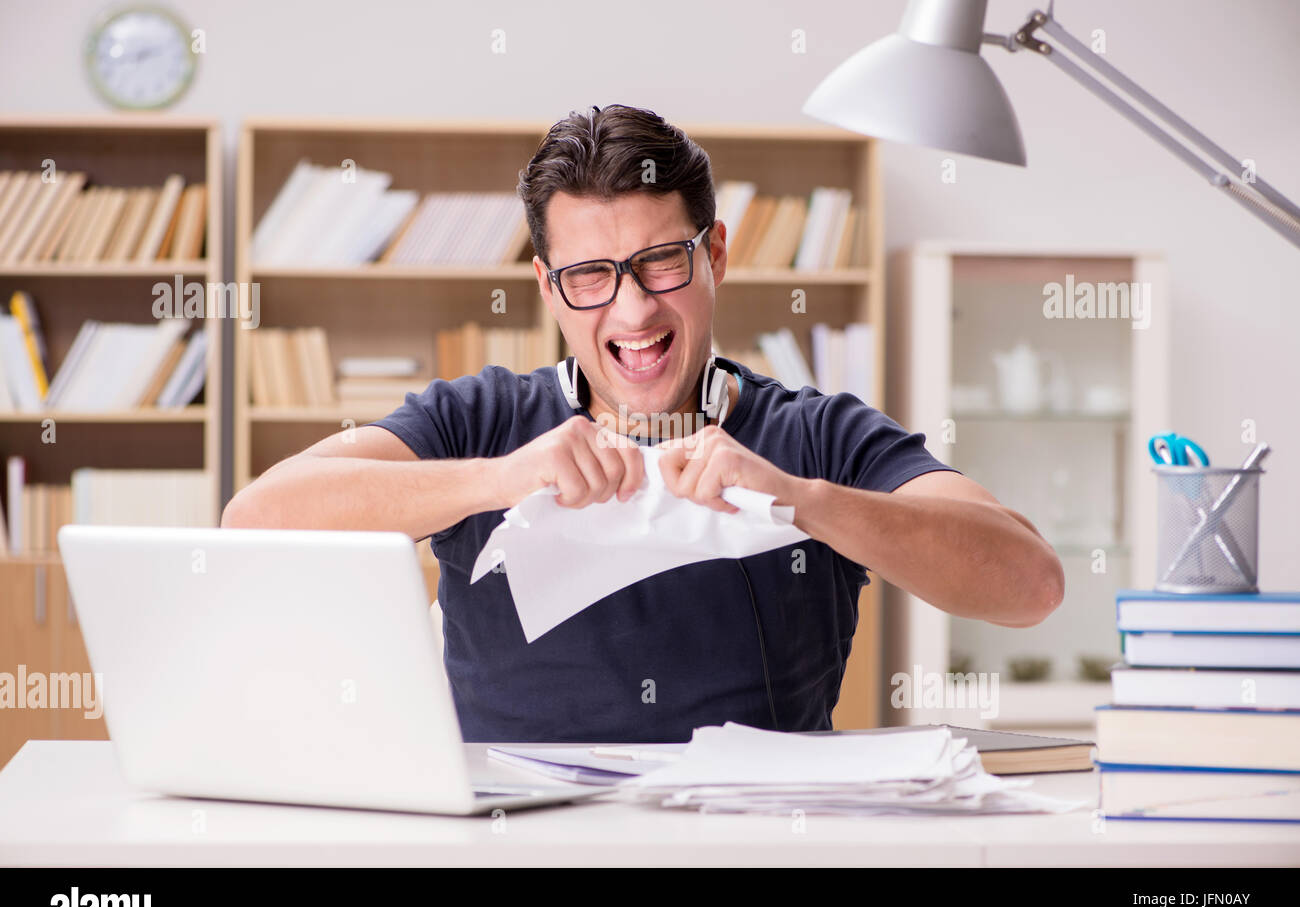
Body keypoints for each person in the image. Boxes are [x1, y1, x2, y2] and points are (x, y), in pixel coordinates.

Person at [222, 104, 1064, 742]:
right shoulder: (481, 418)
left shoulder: (816, 435)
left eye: (661, 261)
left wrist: (804, 499)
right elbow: (256, 517)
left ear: (716, 255)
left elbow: (1030, 585)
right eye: (591, 274)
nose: (633, 308)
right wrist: (504, 475)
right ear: (550, 289)